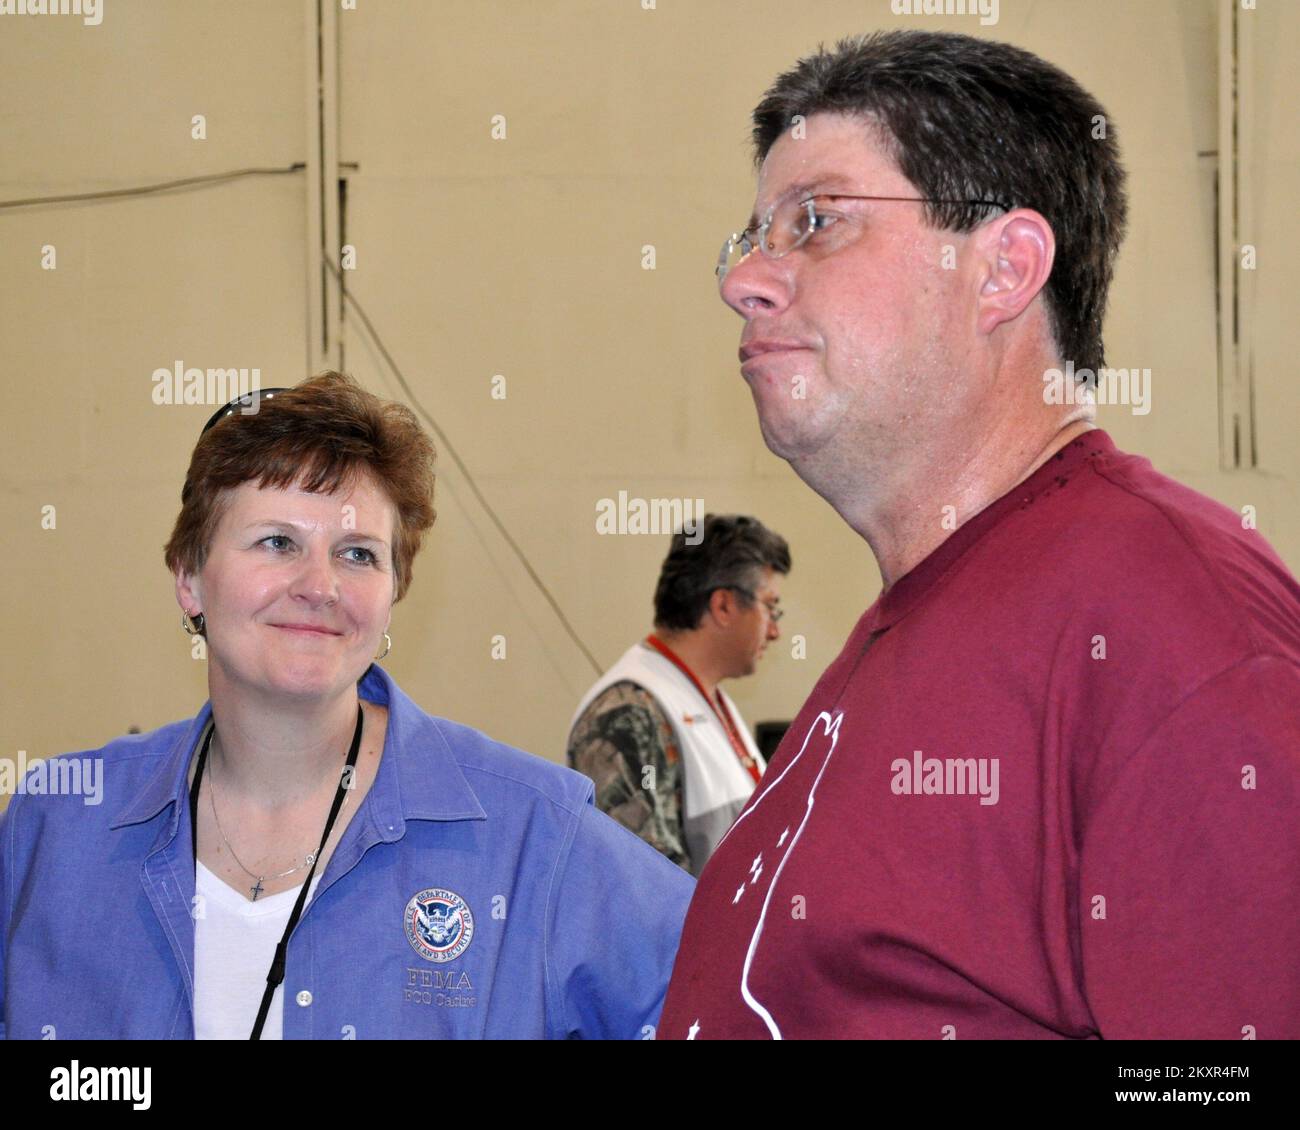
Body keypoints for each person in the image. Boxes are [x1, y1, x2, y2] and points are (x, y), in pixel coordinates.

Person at [658, 30, 1300, 1039]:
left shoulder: (1167, 617)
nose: (746, 280)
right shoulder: (896, 636)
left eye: (815, 222)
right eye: (753, 238)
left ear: (1003, 268)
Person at [0, 372, 693, 1040]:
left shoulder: (533, 838)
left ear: (393, 593)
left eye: (359, 554)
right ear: (189, 579)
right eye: (278, 542)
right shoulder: (56, 828)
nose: (320, 585)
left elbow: (729, 993)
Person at [567, 515, 790, 875]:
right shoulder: (628, 713)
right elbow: (640, 885)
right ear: (724, 606)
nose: (777, 630)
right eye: (770, 607)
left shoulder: (706, 699)